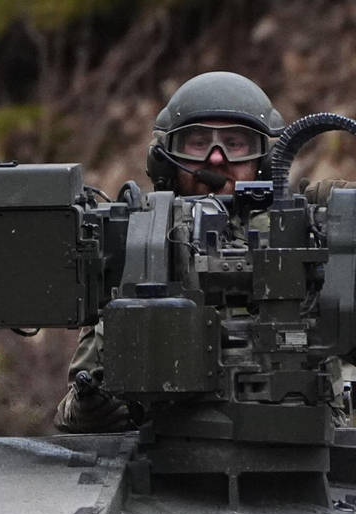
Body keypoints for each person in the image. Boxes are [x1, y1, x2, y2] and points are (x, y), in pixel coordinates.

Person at [55, 71, 349, 432]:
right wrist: (94, 406)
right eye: (197, 143)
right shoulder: (140, 242)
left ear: (266, 157)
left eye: (234, 143)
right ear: (166, 158)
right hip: (168, 457)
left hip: (308, 444)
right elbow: (73, 406)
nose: (215, 158)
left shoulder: (309, 220)